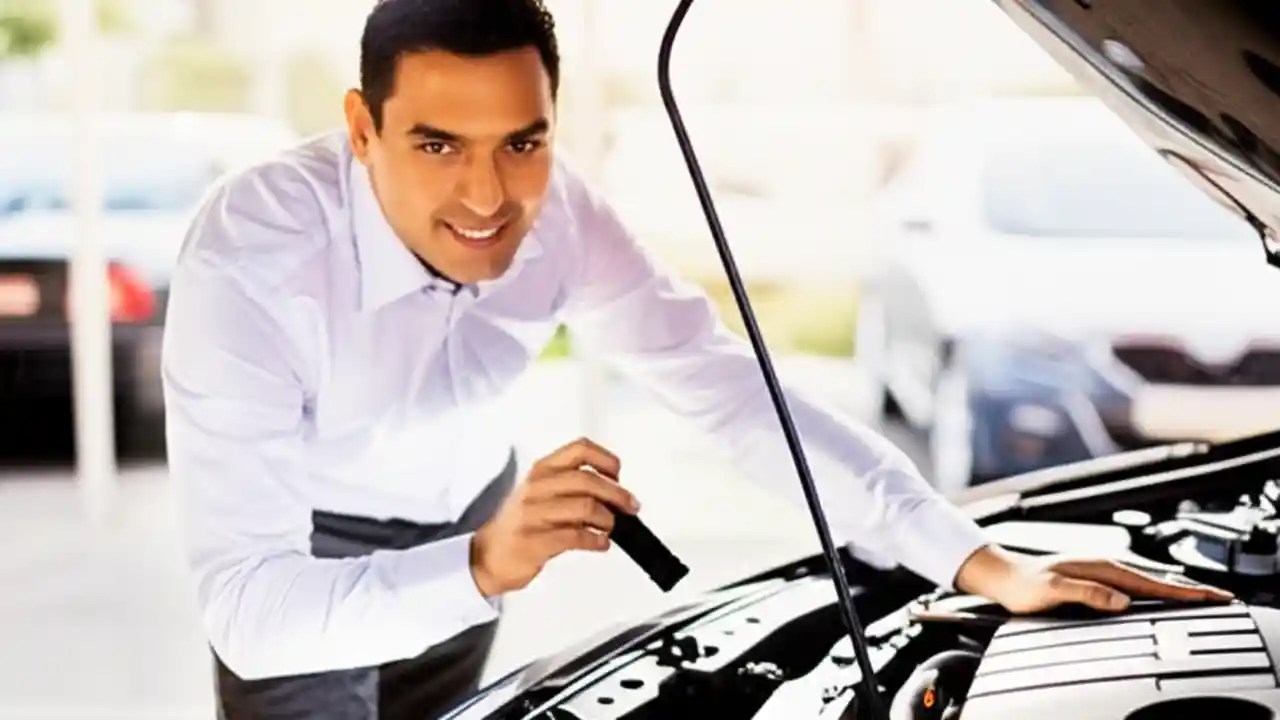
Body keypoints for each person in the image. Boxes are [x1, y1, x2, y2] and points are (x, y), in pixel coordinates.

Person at [161, 0, 1234, 717]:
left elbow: (732, 395)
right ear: (361, 126)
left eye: (521, 142)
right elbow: (251, 616)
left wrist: (974, 559)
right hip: (310, 554)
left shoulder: (564, 214)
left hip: (466, 511)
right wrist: (486, 565)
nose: (489, 199)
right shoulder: (255, 254)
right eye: (437, 144)